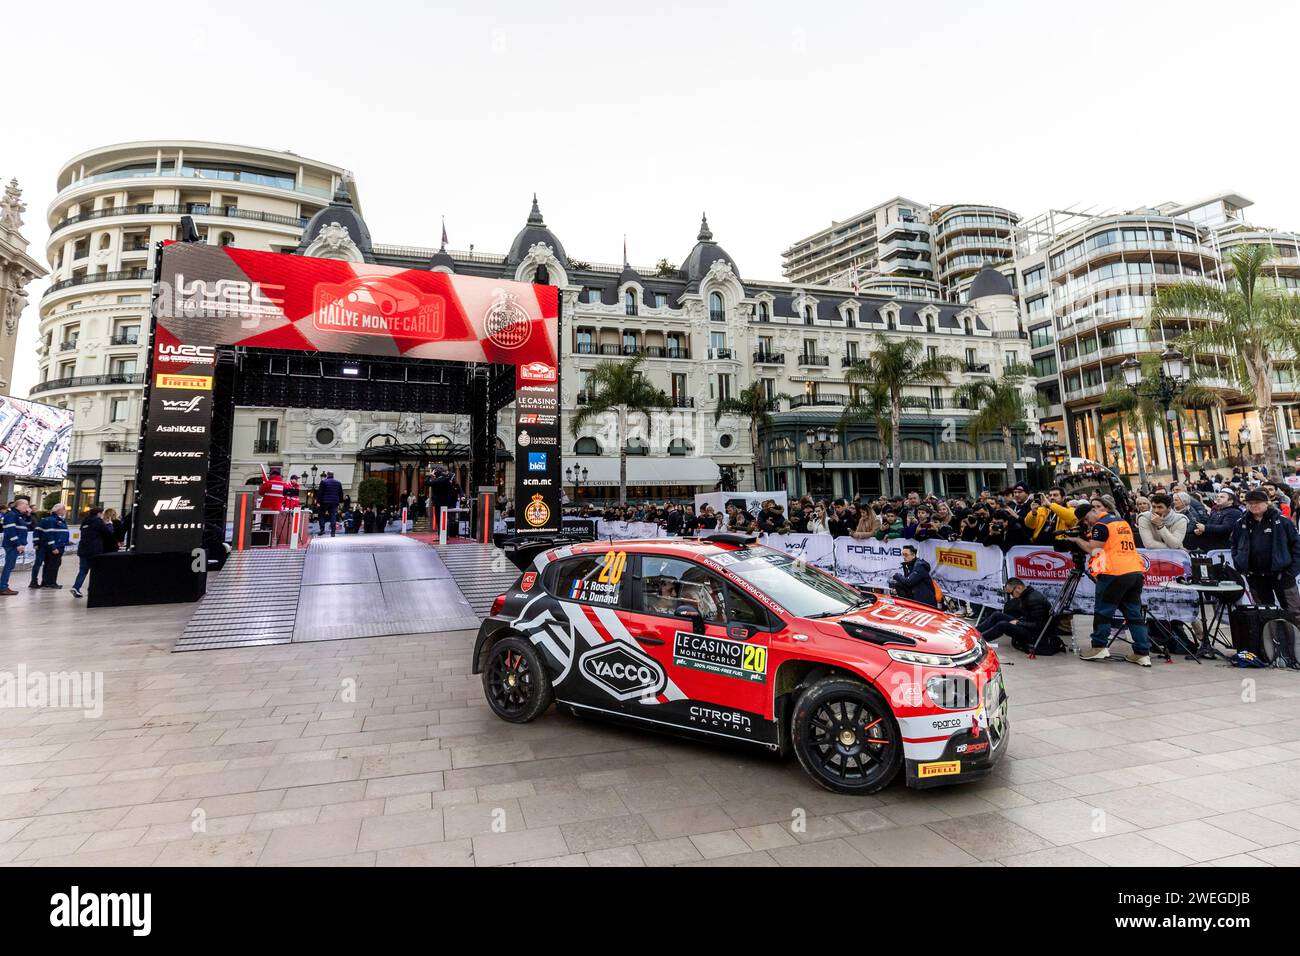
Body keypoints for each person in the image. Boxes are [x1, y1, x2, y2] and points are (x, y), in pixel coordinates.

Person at [1073, 500, 1152, 666]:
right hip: (1134, 571)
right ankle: (1142, 652)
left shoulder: (1101, 525)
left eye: (1086, 519)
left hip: (1114, 573)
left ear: (1092, 512)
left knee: (1103, 611)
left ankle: (1099, 647)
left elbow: (1093, 549)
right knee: (1133, 614)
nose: (1087, 523)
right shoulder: (1121, 521)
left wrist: (1077, 540)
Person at [1231, 488, 1300, 620]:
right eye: (1250, 503)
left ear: (1267, 502)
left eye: (1257, 502)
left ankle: (1295, 634)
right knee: (1264, 613)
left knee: (1293, 612)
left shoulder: (1282, 521)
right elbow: (1234, 544)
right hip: (1255, 576)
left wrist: (1292, 571)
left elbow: (1296, 546)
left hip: (1282, 574)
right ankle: (1270, 634)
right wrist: (1240, 563)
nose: (1253, 506)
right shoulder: (1241, 523)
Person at [978, 577, 1053, 651]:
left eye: (1011, 593)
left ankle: (978, 640)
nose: (1012, 596)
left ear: (1019, 588)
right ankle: (974, 632)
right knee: (997, 615)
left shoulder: (1034, 600)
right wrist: (1019, 621)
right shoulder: (1026, 595)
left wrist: (1018, 623)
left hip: (1036, 635)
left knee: (1002, 625)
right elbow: (1029, 617)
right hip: (1028, 626)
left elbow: (1039, 625)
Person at [71, 506, 118, 598]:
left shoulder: (85, 521)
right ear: (99, 513)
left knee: (83, 570)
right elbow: (108, 533)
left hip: (83, 549)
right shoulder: (98, 521)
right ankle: (92, 590)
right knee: (95, 571)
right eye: (101, 513)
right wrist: (109, 524)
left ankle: (76, 587)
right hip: (94, 550)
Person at [890, 544, 938, 608]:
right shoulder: (908, 565)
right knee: (897, 584)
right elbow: (906, 584)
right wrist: (895, 586)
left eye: (906, 555)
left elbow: (909, 582)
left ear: (913, 555)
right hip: (917, 600)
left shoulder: (919, 566)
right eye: (903, 555)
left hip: (926, 603)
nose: (904, 557)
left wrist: (897, 575)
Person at [1, 498, 32, 595]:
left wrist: (28, 515)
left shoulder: (19, 516)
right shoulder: (12, 515)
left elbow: (28, 524)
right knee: (9, 565)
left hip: (15, 545)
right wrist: (18, 544)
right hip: (12, 545)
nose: (28, 507)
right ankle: (3, 587)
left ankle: (3, 586)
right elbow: (10, 530)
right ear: (20, 505)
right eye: (26, 505)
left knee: (10, 565)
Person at [36, 503, 70, 589]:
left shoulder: (60, 520)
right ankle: (51, 582)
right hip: (56, 546)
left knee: (51, 564)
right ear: (59, 510)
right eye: (64, 509)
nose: (65, 511)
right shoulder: (53, 520)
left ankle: (46, 582)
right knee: (53, 565)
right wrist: (53, 547)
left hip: (59, 545)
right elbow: (50, 534)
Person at [317, 471, 344, 536]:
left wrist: (318, 501)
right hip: (334, 502)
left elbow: (320, 492)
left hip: (324, 501)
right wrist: (340, 501)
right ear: (333, 475)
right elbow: (341, 493)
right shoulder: (338, 483)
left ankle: (322, 530)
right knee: (333, 516)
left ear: (327, 475)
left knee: (321, 515)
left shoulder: (323, 482)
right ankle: (333, 532)